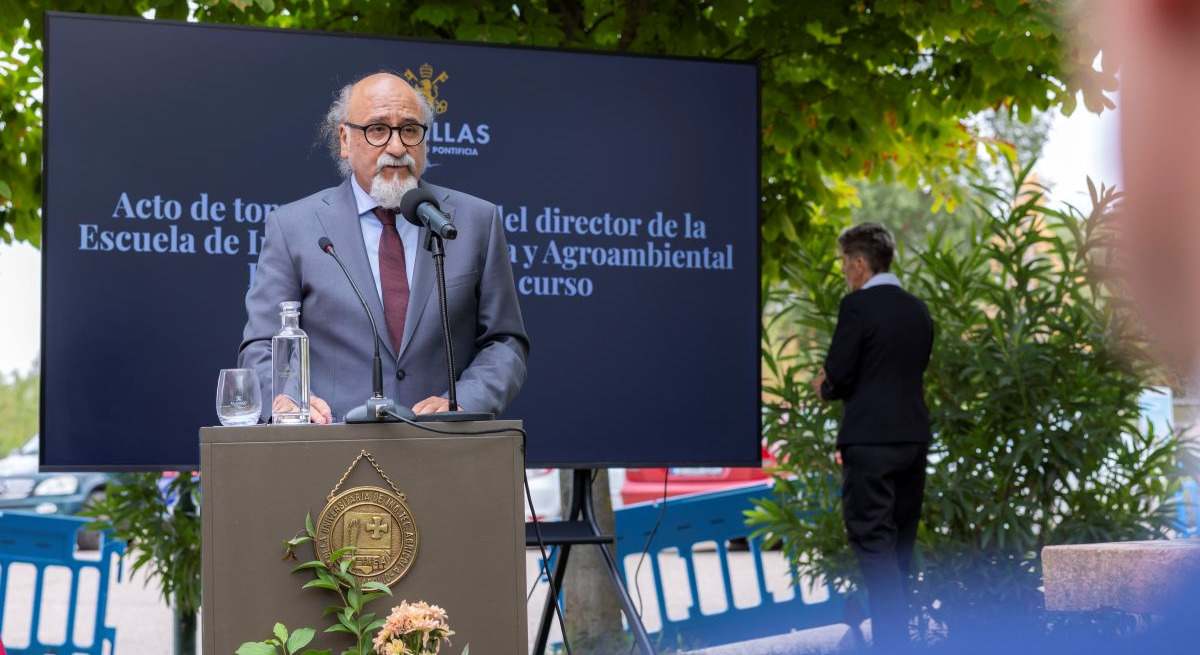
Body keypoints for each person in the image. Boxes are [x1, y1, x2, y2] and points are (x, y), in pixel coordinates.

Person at [238, 72, 529, 423]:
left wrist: (465, 401)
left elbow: (504, 342)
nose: (397, 148)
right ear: (345, 139)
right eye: (377, 130)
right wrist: (289, 401)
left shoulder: (475, 221)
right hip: (333, 442)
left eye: (409, 130)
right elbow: (262, 345)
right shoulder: (293, 227)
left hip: (443, 441)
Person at [811, 223, 934, 650]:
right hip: (913, 439)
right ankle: (898, 640)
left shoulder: (857, 307)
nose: (845, 270)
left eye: (845, 262)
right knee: (899, 547)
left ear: (860, 263)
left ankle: (891, 644)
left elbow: (840, 374)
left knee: (873, 544)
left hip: (869, 442)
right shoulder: (918, 310)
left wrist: (824, 386)